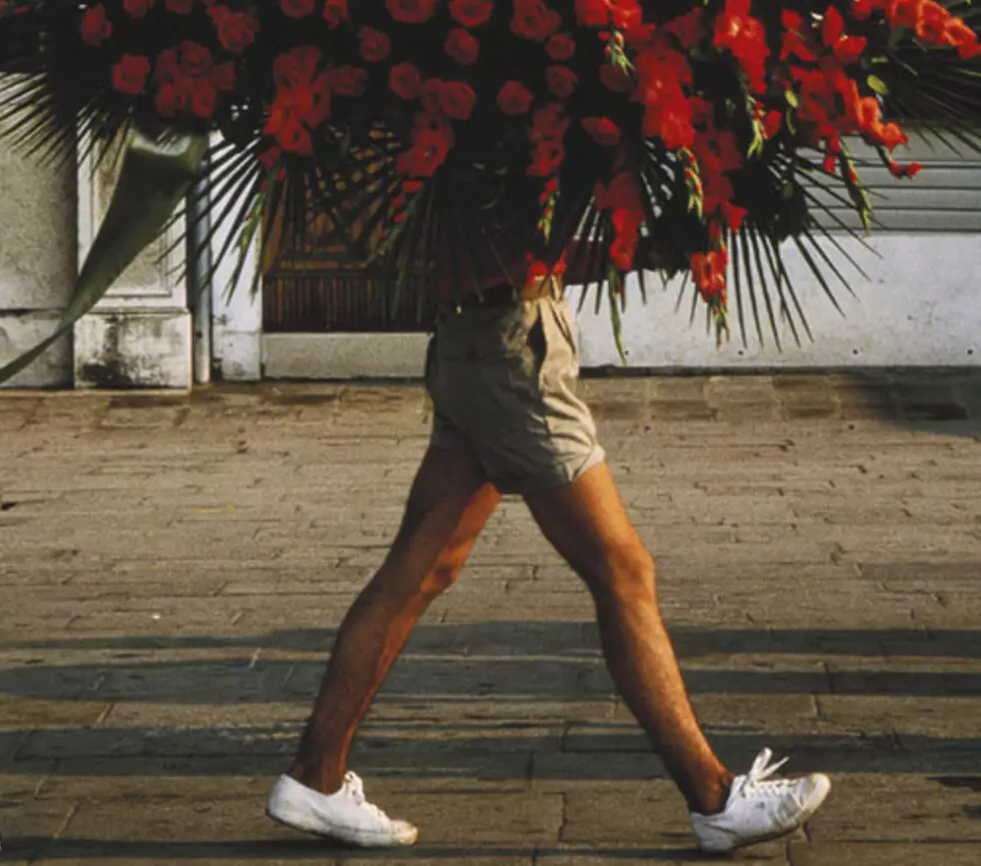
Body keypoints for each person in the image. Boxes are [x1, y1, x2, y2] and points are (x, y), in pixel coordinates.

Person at [266, 265, 831, 854]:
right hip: (513, 354)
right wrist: (639, 241)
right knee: (623, 570)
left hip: (481, 343)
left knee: (423, 569)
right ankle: (715, 798)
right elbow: (516, 248)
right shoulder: (481, 173)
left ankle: (315, 775)